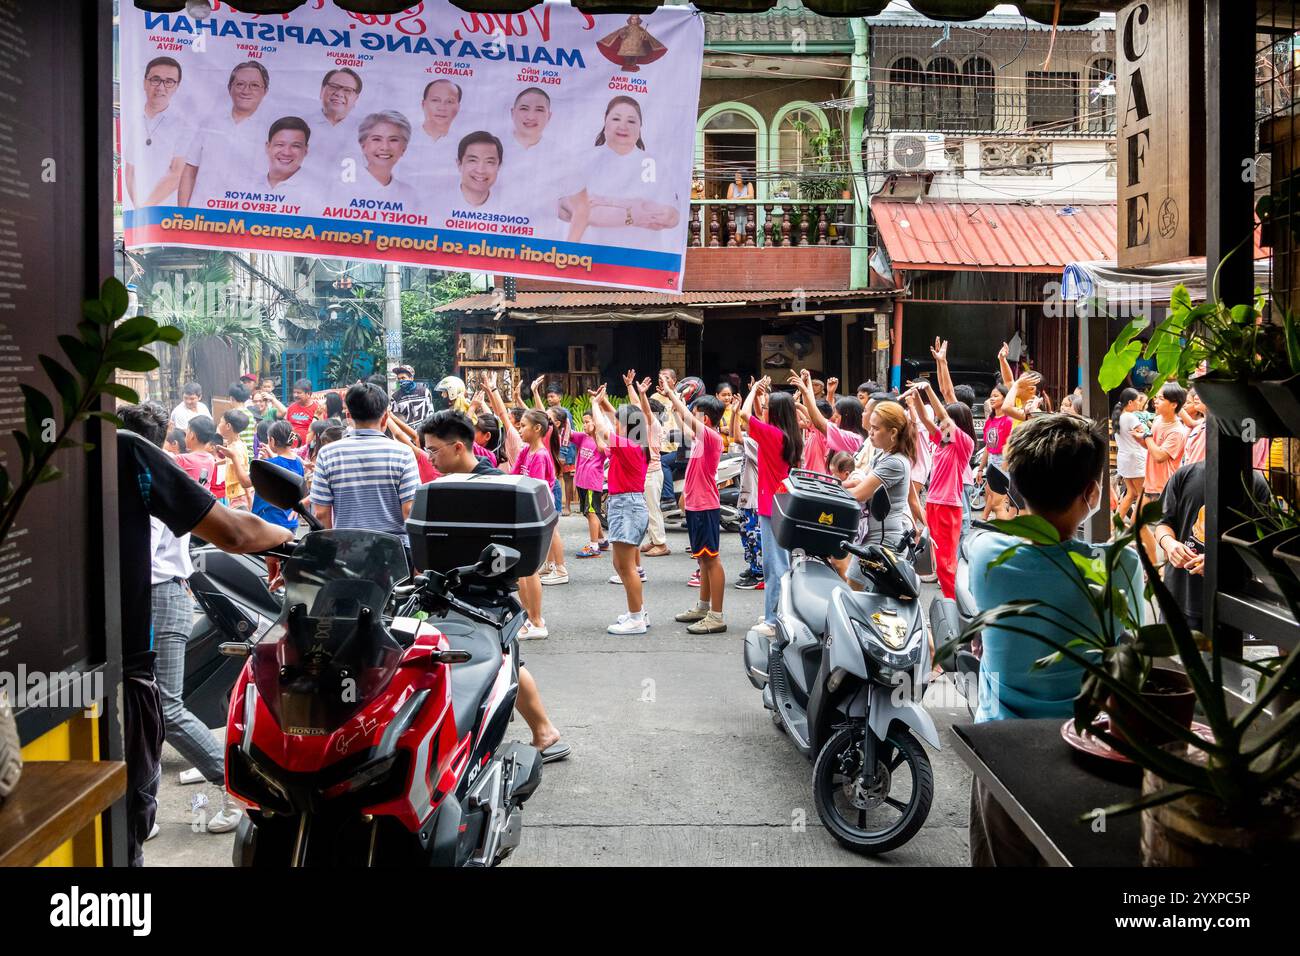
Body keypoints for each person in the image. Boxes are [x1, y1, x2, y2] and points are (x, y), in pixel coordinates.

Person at [116, 403, 293, 864]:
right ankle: (146, 806)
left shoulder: (145, 478)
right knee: (144, 712)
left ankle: (235, 786)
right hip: (156, 598)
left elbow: (229, 532)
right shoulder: (149, 474)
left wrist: (282, 540)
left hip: (157, 598)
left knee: (163, 706)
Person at [966, 414, 1144, 865]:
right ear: (1091, 494)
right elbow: (1130, 644)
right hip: (1085, 756)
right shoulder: (1118, 568)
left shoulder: (986, 553)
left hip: (1001, 753)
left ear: (1017, 488)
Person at [417, 411, 570, 762]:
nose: (429, 457)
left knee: (504, 661)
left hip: (486, 595)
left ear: (458, 447)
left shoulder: (493, 484)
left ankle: (544, 732)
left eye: (433, 450)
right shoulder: (444, 484)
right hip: (447, 589)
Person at [559, 97, 681, 251]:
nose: (623, 126)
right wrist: (635, 210)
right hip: (590, 256)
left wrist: (605, 203)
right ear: (605, 121)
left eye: (631, 121)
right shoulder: (583, 161)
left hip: (642, 258)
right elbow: (569, 208)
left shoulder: (653, 164)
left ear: (640, 126)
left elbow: (672, 215)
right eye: (616, 118)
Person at [310, 383, 420, 544]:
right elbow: (410, 510)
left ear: (349, 415)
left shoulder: (328, 454)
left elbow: (321, 513)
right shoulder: (403, 453)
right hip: (394, 552)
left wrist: (330, 551)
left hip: (347, 551)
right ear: (385, 418)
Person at [662, 379, 728, 634]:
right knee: (702, 560)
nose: (693, 417)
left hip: (706, 506)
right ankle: (703, 607)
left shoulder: (711, 437)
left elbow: (689, 420)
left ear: (707, 419)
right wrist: (674, 405)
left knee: (711, 560)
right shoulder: (701, 439)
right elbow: (684, 423)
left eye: (697, 413)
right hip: (696, 505)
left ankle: (717, 615)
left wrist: (672, 395)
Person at [737, 376, 802, 637]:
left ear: (774, 412)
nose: (763, 410)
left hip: (770, 504)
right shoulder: (788, 435)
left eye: (767, 408)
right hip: (781, 503)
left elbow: (743, 414)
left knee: (775, 566)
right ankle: (775, 613)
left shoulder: (773, 435)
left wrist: (752, 389)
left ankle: (775, 620)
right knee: (777, 564)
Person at [590, 382, 653, 634]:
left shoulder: (629, 445)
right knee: (620, 564)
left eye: (620, 421)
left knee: (626, 567)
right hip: (624, 505)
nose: (616, 422)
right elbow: (613, 420)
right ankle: (637, 612)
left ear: (628, 426)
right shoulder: (633, 442)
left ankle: (636, 618)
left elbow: (604, 429)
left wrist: (595, 405)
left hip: (627, 506)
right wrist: (603, 401)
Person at [906, 382, 975, 601]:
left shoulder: (964, 443)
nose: (940, 423)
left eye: (946, 421)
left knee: (945, 562)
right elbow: (927, 421)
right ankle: (951, 602)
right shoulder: (945, 442)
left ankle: (954, 604)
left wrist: (928, 390)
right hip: (935, 503)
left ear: (957, 423)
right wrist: (916, 396)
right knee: (936, 556)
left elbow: (942, 416)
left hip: (948, 505)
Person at [179, 61, 271, 208]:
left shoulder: (272, 131)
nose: (246, 91)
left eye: (254, 85)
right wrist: (182, 215)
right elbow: (190, 171)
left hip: (246, 222)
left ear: (265, 91)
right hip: (200, 216)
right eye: (240, 84)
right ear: (230, 88)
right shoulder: (209, 124)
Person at [510, 407, 558, 639]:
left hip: (534, 516)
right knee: (522, 570)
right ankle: (528, 616)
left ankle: (537, 621)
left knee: (530, 570)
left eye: (523, 426)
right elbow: (514, 476)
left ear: (537, 429)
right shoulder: (527, 451)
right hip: (524, 514)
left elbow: (534, 489)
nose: (520, 430)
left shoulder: (540, 456)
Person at [126, 56, 191, 209]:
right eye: (155, 79)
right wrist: (137, 208)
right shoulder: (132, 119)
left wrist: (143, 209)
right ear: (145, 82)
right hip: (136, 212)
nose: (161, 87)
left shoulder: (183, 126)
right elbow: (130, 172)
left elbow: (176, 174)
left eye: (169, 82)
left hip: (165, 214)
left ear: (177, 86)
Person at [1138, 383, 1189, 561]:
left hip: (1165, 486)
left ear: (1174, 404)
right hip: (1150, 482)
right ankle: (1153, 564)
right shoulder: (1158, 421)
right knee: (1139, 523)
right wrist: (1140, 438)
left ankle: (1169, 568)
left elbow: (1160, 455)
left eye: (1160, 398)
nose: (1155, 401)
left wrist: (1146, 436)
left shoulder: (1177, 431)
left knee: (1167, 531)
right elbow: (1151, 448)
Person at [351, 111, 420, 211]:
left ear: (403, 148)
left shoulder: (409, 195)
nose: (385, 147)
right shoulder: (343, 187)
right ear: (363, 145)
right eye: (376, 139)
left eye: (393, 140)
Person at [307, 67, 364, 179]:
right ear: (322, 90)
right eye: (333, 87)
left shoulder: (367, 131)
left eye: (347, 90)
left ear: (356, 98)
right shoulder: (300, 125)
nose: (339, 94)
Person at [571, 411, 609, 559]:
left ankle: (594, 546)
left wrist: (598, 432)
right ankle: (602, 540)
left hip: (592, 483)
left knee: (592, 512)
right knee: (589, 513)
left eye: (588, 422)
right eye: (584, 422)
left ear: (596, 423)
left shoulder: (602, 442)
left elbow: (602, 450)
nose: (585, 425)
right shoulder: (583, 438)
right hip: (581, 482)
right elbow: (569, 433)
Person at [1113, 387, 1149, 525]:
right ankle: (1134, 527)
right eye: (1138, 401)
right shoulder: (1131, 417)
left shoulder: (1119, 416)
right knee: (1143, 495)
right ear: (1130, 402)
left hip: (1124, 459)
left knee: (1131, 493)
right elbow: (1145, 434)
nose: (1140, 404)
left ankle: (1114, 525)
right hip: (1135, 459)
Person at [979, 384, 1014, 521]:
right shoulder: (990, 420)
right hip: (992, 464)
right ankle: (988, 520)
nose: (992, 399)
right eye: (991, 396)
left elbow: (1011, 445)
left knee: (998, 504)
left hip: (1005, 464)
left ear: (1005, 399)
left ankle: (1007, 532)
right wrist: (981, 469)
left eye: (996, 396)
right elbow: (988, 446)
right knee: (993, 500)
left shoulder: (1009, 420)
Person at [261, 116, 314, 198]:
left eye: (295, 146)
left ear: (305, 150)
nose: (286, 152)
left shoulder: (315, 191)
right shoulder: (248, 184)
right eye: (280, 144)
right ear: (268, 147)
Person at [453, 131, 503, 208]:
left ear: (499, 166)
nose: (480, 170)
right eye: (473, 160)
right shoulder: (437, 203)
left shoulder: (509, 206)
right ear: (459, 164)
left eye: (489, 162)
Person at [216, 409, 251, 510]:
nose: (219, 425)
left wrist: (249, 498)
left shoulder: (236, 449)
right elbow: (230, 460)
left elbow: (243, 471)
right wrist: (217, 463)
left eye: (221, 422)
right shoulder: (234, 443)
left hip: (239, 495)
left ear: (228, 426)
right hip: (235, 494)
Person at [284, 377, 320, 449]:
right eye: (294, 392)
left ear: (308, 394)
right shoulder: (291, 407)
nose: (295, 395)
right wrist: (288, 446)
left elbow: (319, 431)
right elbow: (287, 428)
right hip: (291, 447)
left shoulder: (317, 409)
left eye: (299, 393)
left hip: (308, 447)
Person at [726, 169, 754, 241]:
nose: (736, 178)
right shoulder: (732, 185)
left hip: (747, 215)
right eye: (735, 176)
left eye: (738, 177)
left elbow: (751, 196)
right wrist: (744, 198)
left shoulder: (748, 185)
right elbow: (729, 198)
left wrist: (738, 198)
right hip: (735, 215)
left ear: (743, 177)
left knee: (745, 238)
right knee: (737, 239)